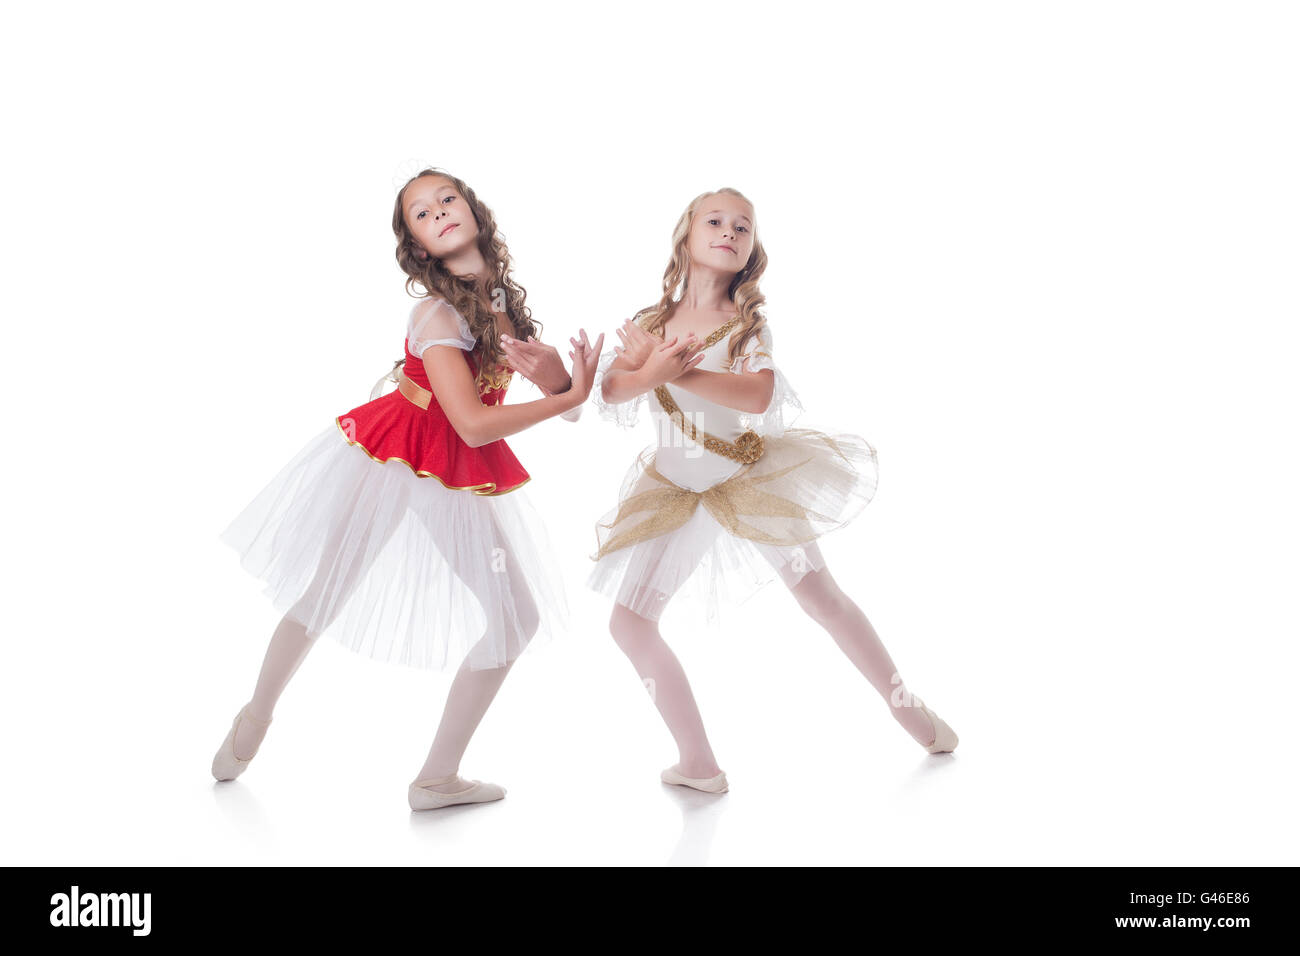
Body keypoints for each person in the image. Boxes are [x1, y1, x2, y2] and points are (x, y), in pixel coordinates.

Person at [214, 167, 602, 810]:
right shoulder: (438, 312)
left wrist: (563, 378)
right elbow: (475, 426)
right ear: (419, 247)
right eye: (421, 213)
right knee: (329, 588)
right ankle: (256, 716)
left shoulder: (499, 301)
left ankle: (436, 777)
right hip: (396, 455)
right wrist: (570, 393)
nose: (439, 211)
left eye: (447, 198)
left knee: (515, 617)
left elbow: (568, 409)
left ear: (474, 211)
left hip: (450, 467)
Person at [578, 187, 958, 793]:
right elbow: (615, 391)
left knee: (820, 599)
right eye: (716, 220)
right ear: (686, 237)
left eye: (743, 227)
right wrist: (652, 368)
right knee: (629, 623)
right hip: (674, 490)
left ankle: (904, 705)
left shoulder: (745, 324)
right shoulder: (650, 324)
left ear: (751, 250)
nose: (729, 231)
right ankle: (698, 762)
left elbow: (757, 394)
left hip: (744, 481)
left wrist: (680, 370)